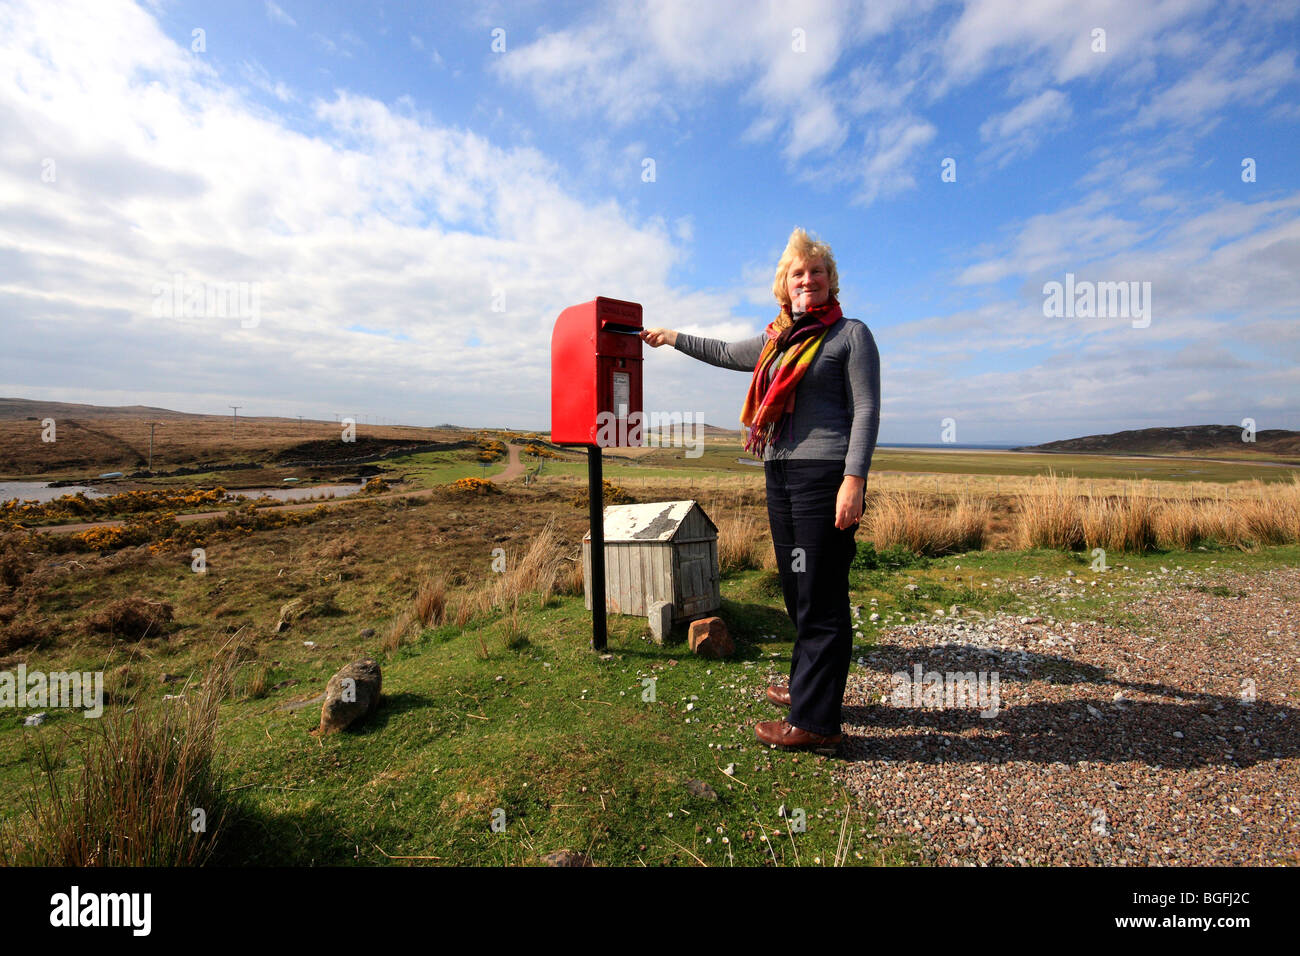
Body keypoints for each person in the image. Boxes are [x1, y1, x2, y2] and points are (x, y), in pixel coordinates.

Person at [641, 227, 881, 753]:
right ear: (785, 284)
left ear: (830, 280)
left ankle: (816, 723)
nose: (808, 280)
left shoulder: (850, 336)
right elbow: (726, 351)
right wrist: (673, 337)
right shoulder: (777, 339)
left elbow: (865, 410)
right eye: (799, 273)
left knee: (821, 596)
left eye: (817, 272)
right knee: (797, 591)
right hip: (780, 472)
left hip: (825, 477)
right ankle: (806, 687)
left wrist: (854, 479)